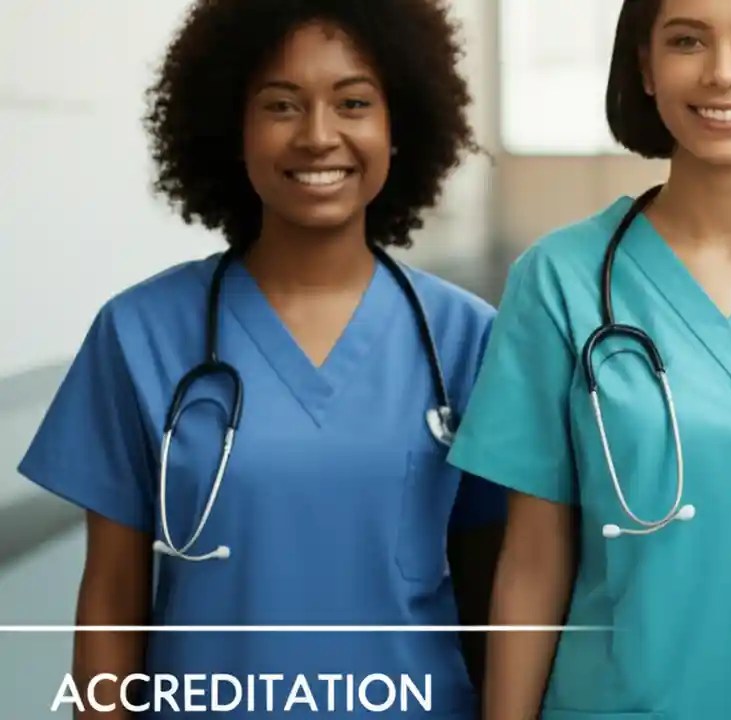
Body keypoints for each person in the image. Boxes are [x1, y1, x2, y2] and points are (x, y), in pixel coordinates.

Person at [18, 0, 504, 716]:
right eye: (281, 105)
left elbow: (498, 600)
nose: (318, 135)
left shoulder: (465, 340)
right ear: (233, 129)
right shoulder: (140, 334)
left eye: (354, 102)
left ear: (398, 127)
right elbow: (113, 602)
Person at [444, 0, 731, 718]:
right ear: (646, 66)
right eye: (688, 40)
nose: (723, 74)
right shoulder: (562, 279)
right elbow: (534, 561)